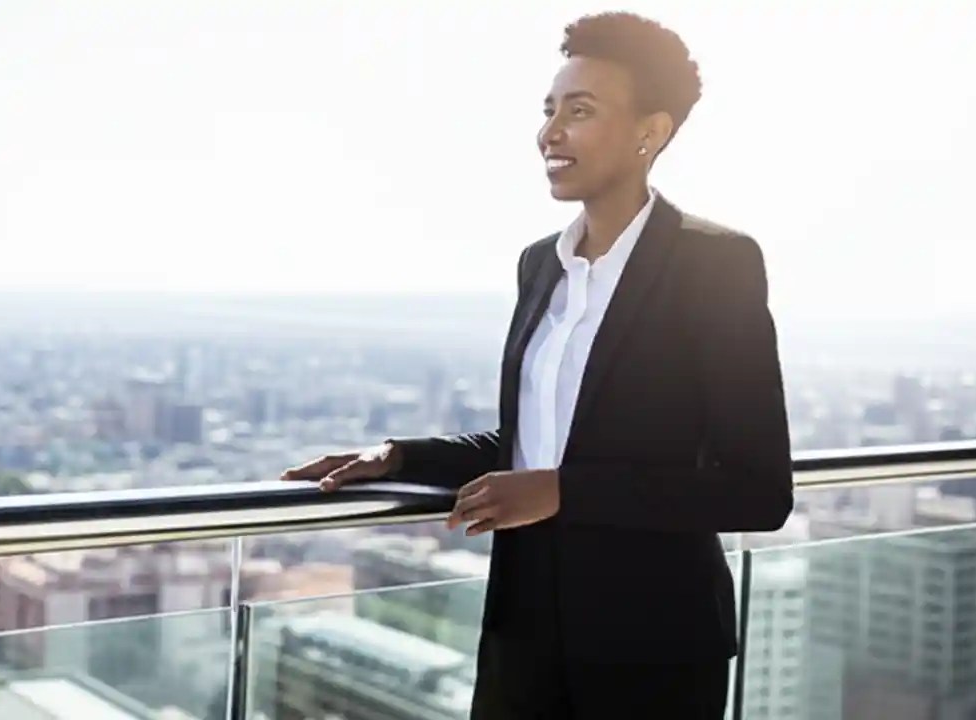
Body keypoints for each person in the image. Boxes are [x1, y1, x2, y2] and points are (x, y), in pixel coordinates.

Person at [281, 11, 792, 719]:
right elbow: (533, 447)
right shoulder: (539, 265)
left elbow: (757, 491)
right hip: (523, 642)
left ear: (650, 131)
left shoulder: (714, 263)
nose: (549, 133)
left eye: (579, 112)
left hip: (654, 652)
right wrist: (399, 457)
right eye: (548, 110)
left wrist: (565, 493)